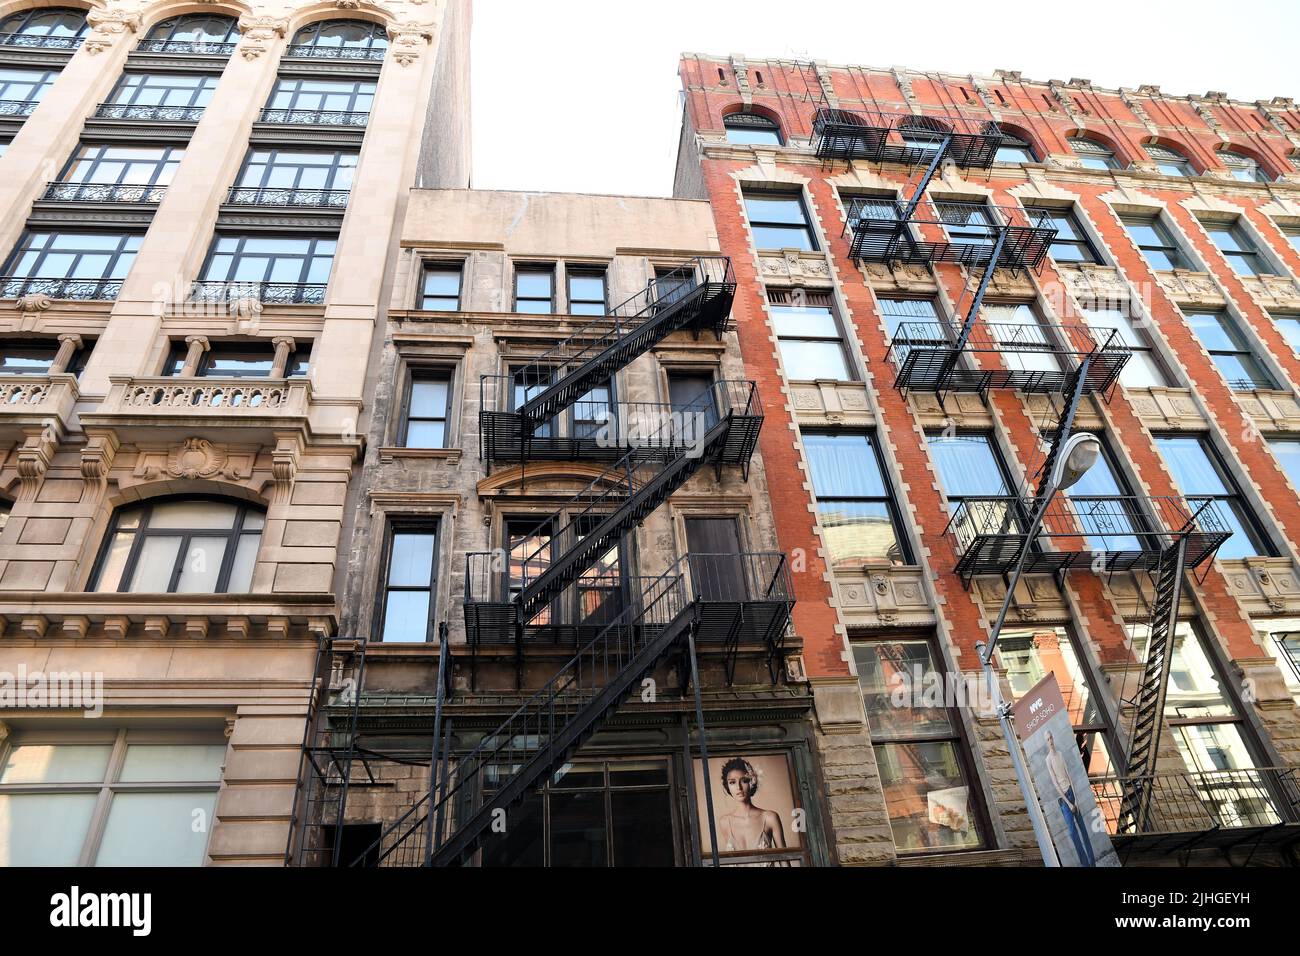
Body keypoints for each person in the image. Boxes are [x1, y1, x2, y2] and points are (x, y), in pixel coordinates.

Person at [717, 758, 788, 865]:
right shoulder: (724, 822)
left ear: (752, 782)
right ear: (727, 787)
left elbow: (784, 861)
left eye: (744, 781)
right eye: (732, 782)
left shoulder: (769, 818)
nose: (739, 787)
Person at [1046, 733, 1096, 867]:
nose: (1050, 741)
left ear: (1053, 738)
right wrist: (1069, 804)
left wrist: (1076, 801)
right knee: (1073, 833)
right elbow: (1056, 784)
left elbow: (1068, 776)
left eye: (1051, 738)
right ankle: (1085, 864)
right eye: (1047, 739)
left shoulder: (1060, 754)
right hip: (1064, 800)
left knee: (1083, 829)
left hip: (1071, 793)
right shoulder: (1048, 760)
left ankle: (1092, 862)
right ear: (1046, 742)